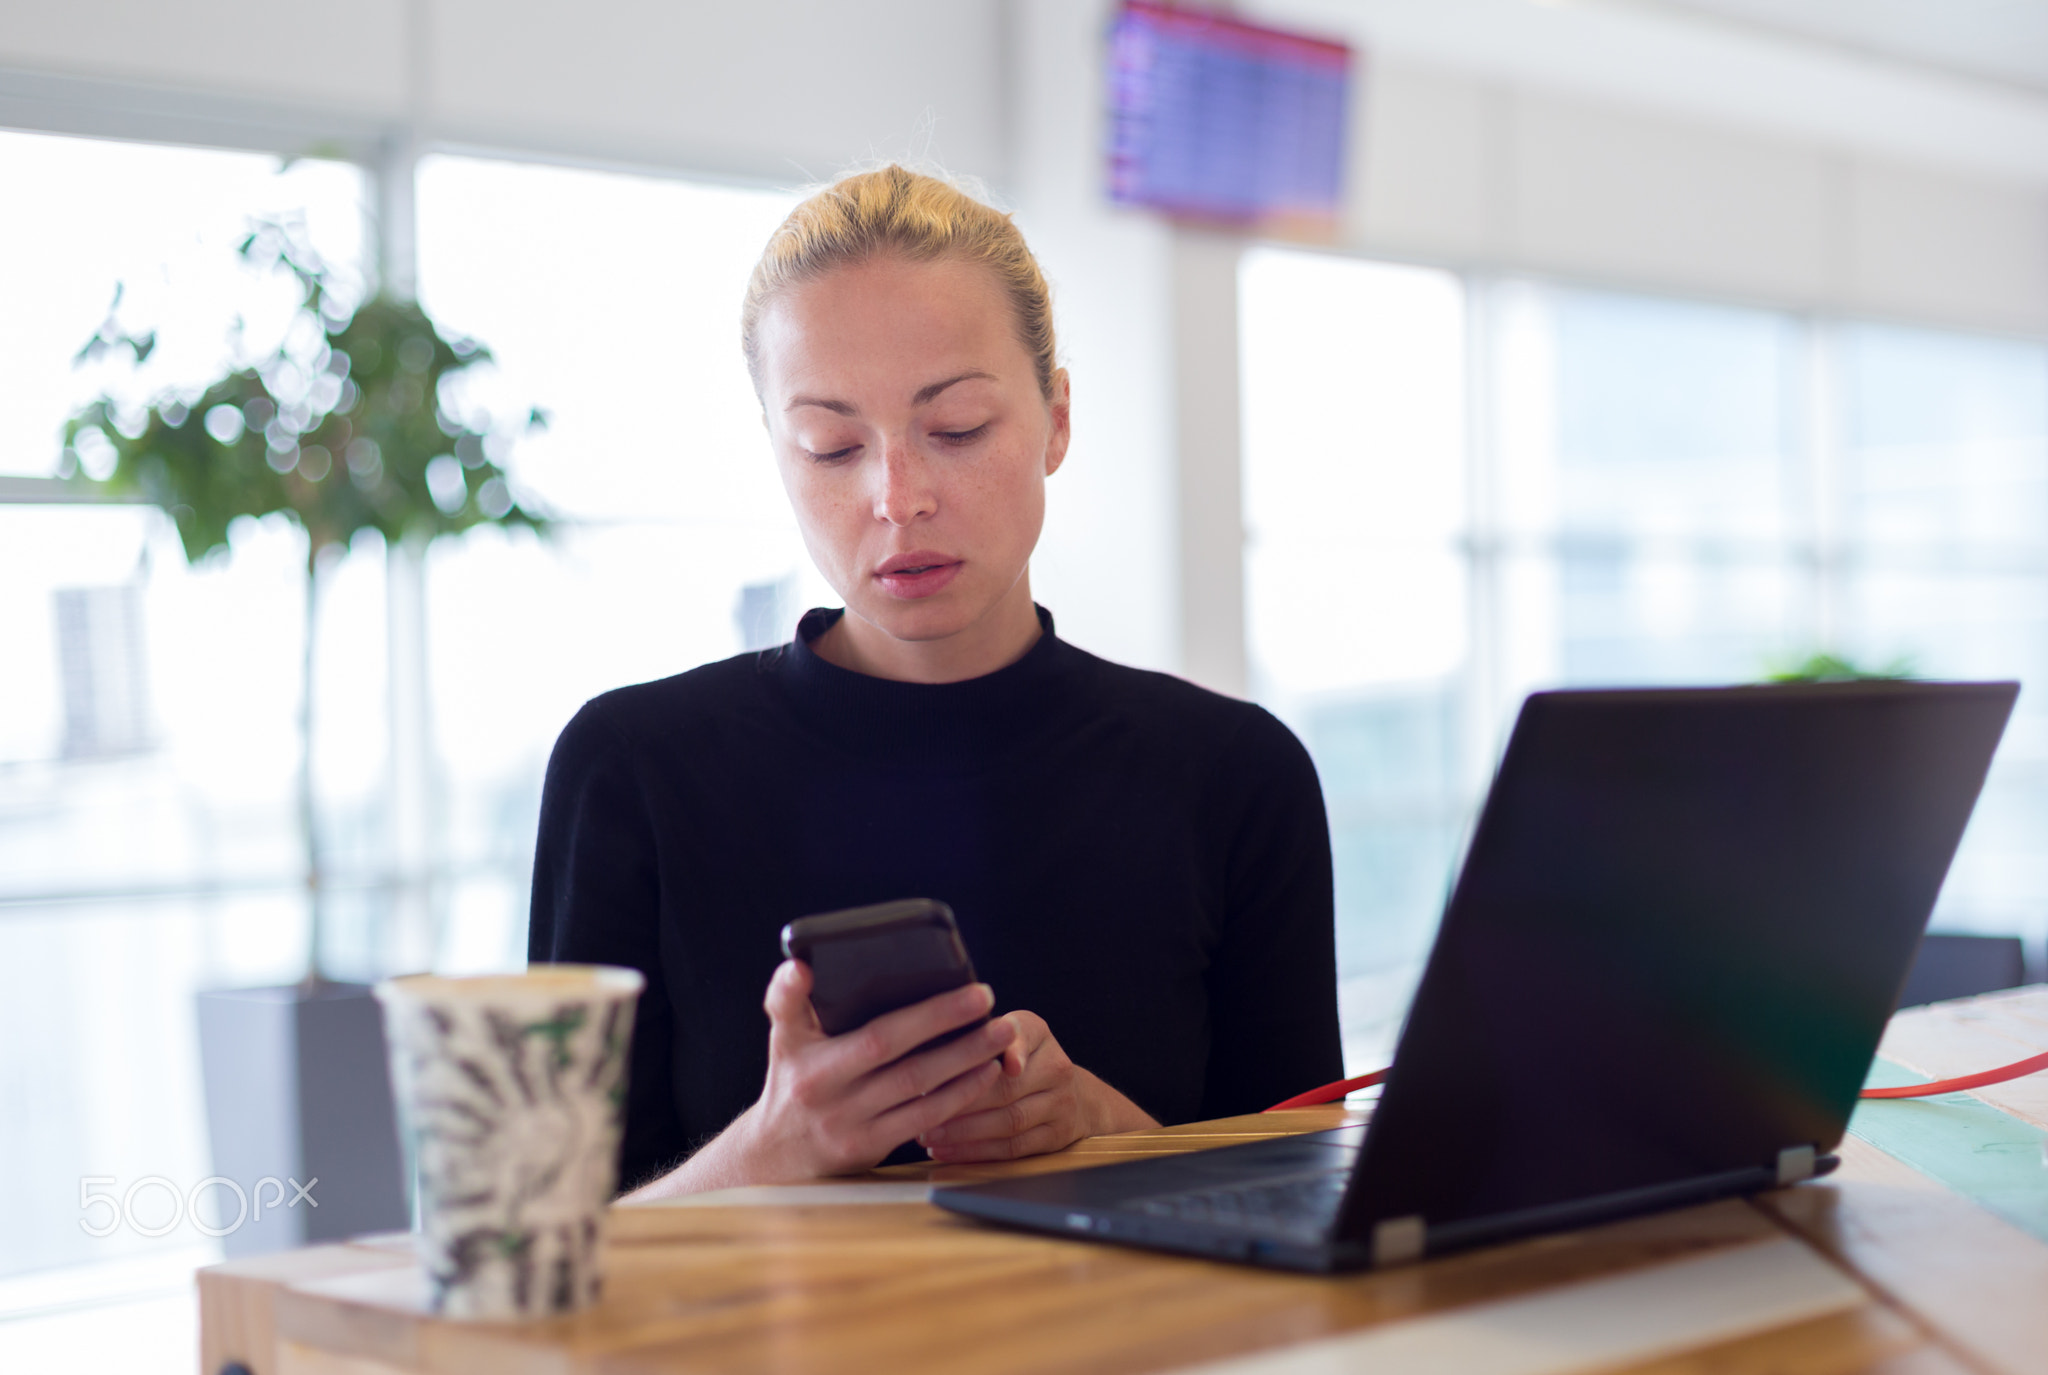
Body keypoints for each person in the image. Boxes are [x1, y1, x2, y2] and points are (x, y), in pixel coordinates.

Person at [528, 164, 1341, 1200]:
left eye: (954, 429)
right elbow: (541, 1257)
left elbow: (1310, 1215)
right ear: (776, 454)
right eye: (830, 446)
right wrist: (772, 1149)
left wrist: (1095, 1125)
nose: (896, 499)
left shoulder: (1233, 775)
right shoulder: (632, 768)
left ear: (1054, 419)